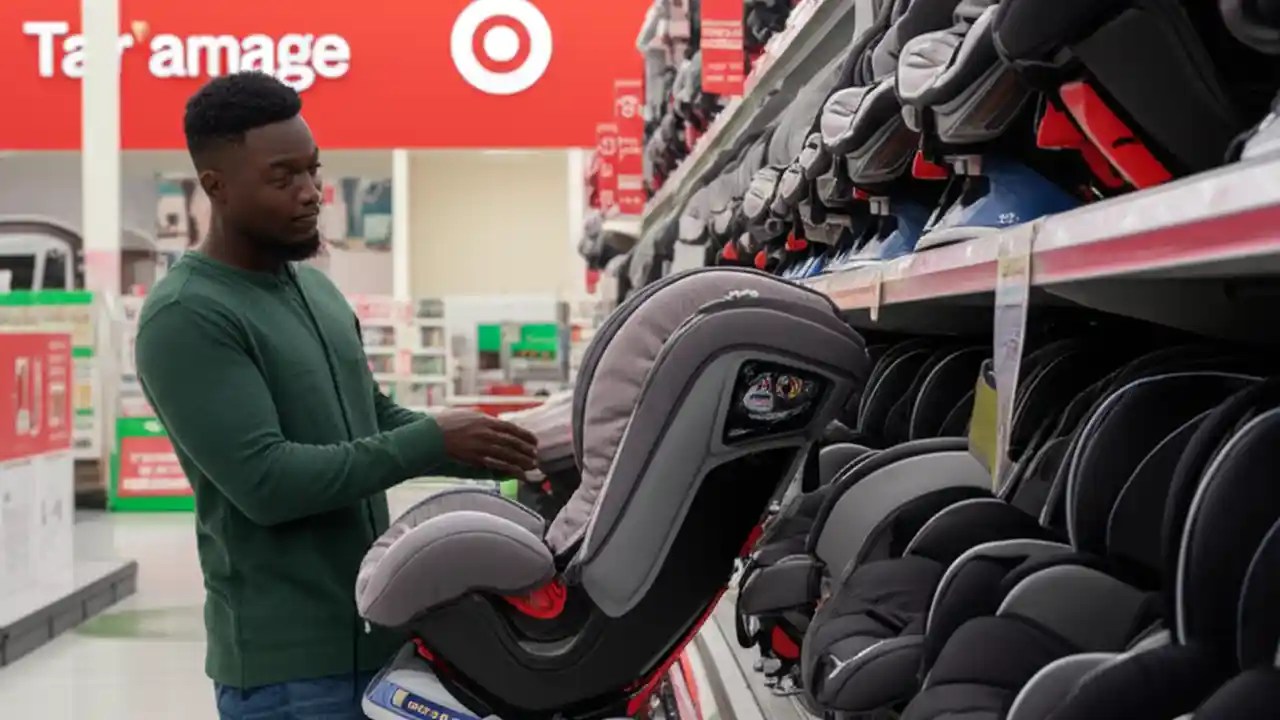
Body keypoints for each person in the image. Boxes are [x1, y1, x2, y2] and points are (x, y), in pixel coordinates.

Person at [134, 71, 540, 720]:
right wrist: (430, 440)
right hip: (288, 673)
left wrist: (507, 448)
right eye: (282, 177)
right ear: (215, 186)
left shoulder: (314, 290)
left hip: (382, 635)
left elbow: (370, 417)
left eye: (313, 169)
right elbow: (267, 482)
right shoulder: (187, 316)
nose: (310, 193)